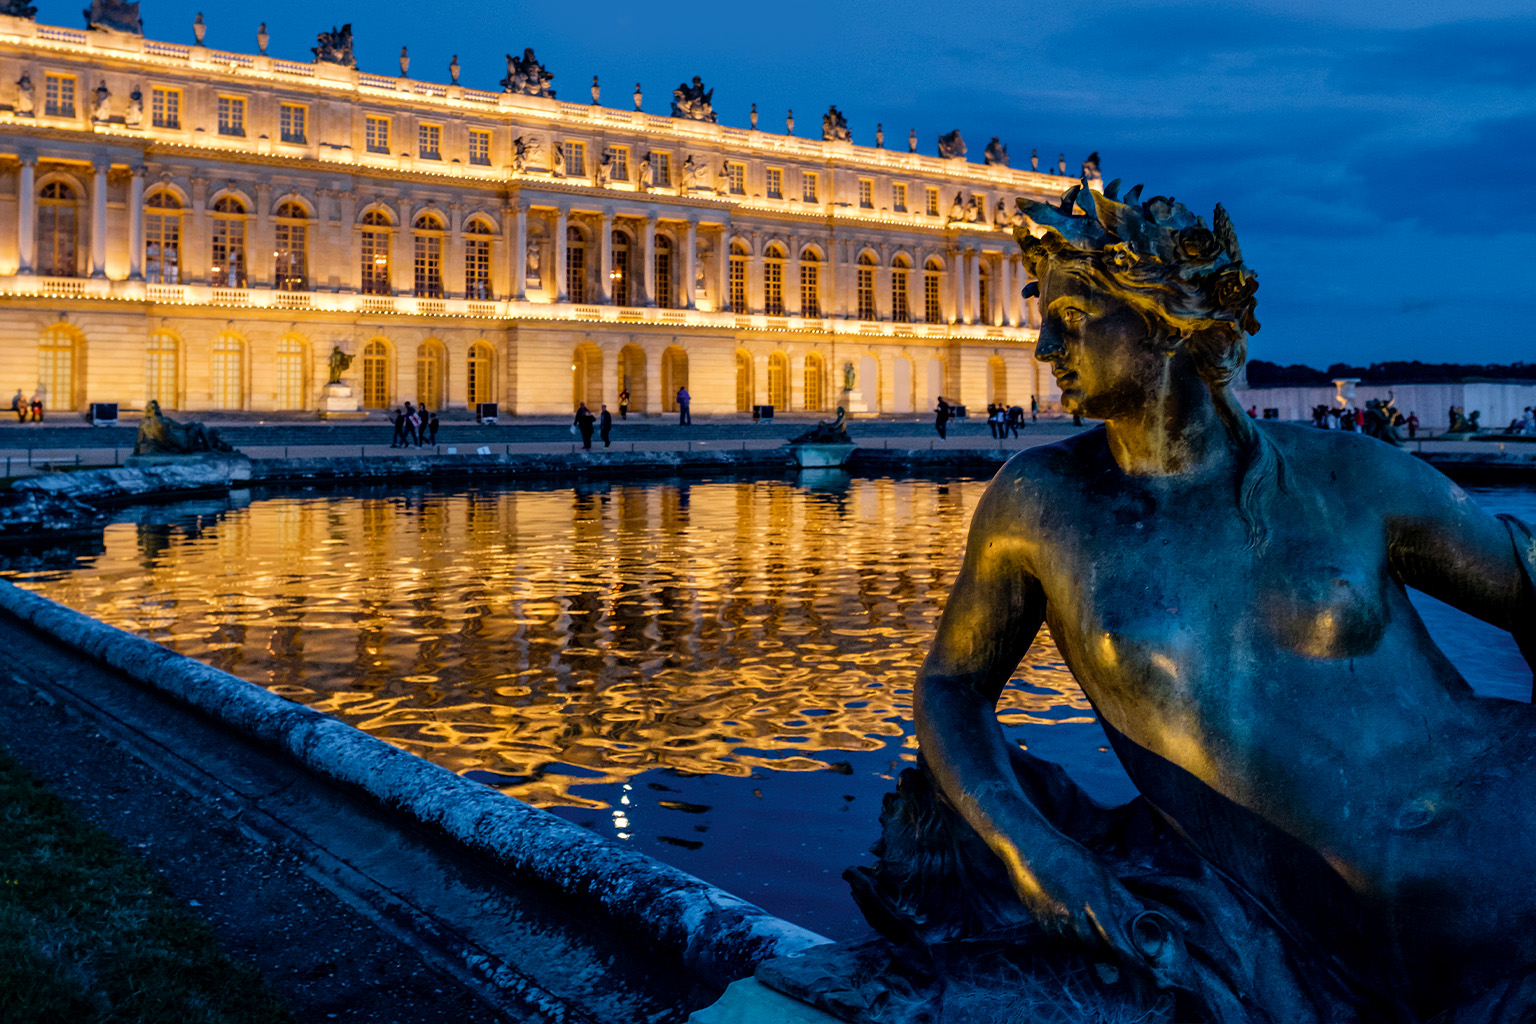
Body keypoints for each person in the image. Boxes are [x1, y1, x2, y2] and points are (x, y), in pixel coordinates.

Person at [912, 180, 1536, 1021]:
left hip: (1507, 826)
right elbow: (952, 685)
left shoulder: (1345, 473)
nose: (1044, 346)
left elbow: (1527, 582)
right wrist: (1036, 853)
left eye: (1076, 317)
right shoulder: (1041, 504)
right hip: (1363, 917)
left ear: (1166, 320)